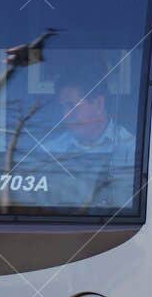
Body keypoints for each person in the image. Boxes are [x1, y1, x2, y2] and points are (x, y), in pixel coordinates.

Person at [33, 56, 138, 209]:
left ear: (98, 103)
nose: (65, 115)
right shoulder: (48, 151)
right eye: (63, 107)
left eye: (71, 106)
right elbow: (38, 208)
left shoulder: (132, 150)